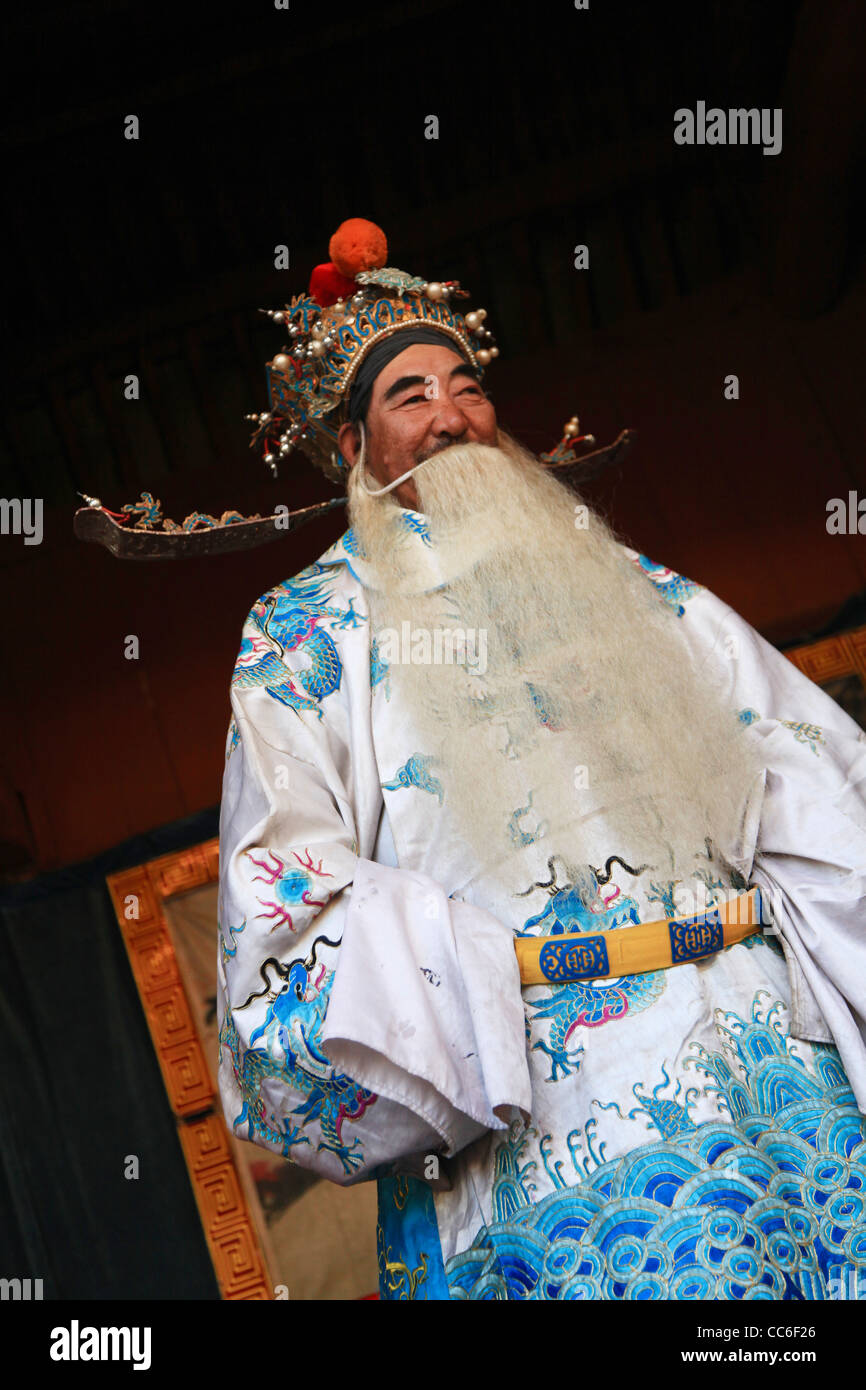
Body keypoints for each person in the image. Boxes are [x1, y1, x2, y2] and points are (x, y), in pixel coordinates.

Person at [217, 220, 866, 1300]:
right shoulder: (307, 638)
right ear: (352, 449)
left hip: (773, 1063)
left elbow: (809, 771)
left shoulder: (626, 583)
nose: (448, 418)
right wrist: (457, 970)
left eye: (463, 387)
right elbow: (281, 920)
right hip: (549, 1116)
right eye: (407, 397)